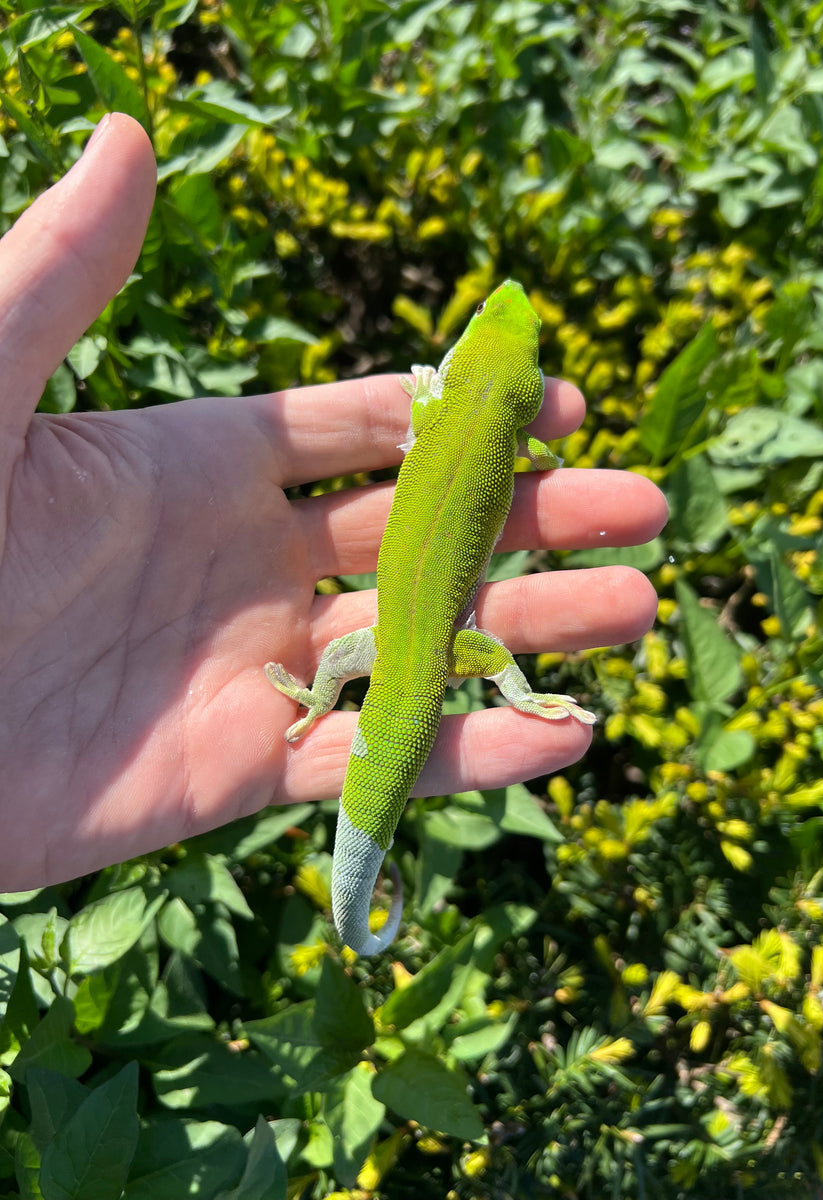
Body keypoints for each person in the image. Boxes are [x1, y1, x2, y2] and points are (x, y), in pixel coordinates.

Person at [0, 114, 667, 892]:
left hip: (396, 652)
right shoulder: (515, 444)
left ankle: (327, 713)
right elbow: (541, 459)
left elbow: (427, 416)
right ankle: (509, 698)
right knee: (478, 656)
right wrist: (543, 454)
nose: (494, 309)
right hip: (413, 651)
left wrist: (434, 394)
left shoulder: (433, 415)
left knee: (375, 667)